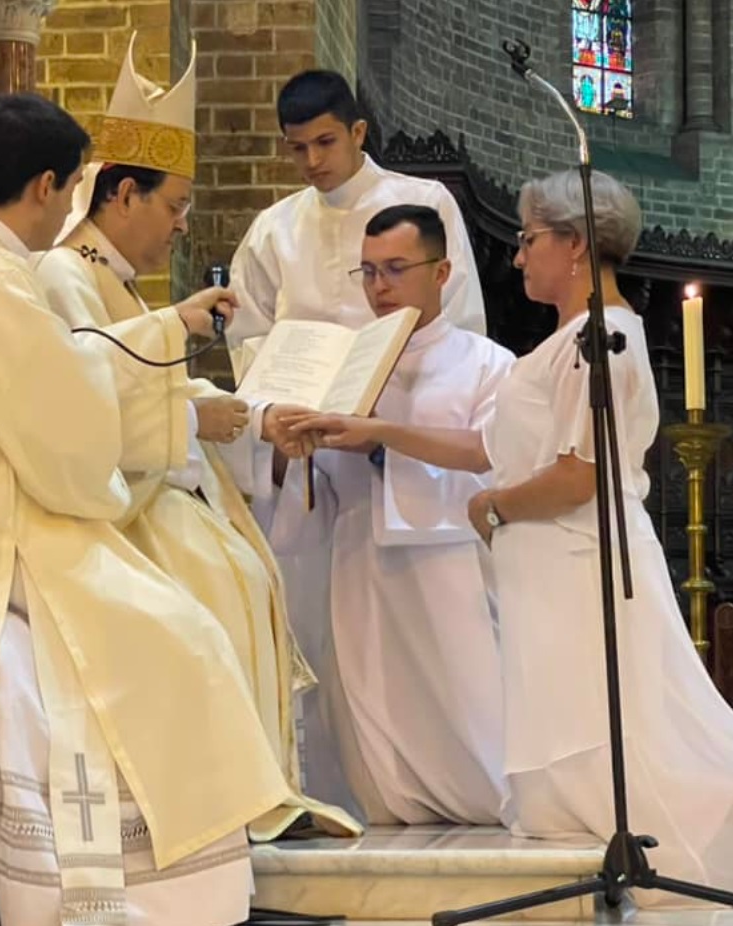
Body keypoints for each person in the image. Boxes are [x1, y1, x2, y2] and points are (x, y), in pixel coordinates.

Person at [0, 93, 291, 926]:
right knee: (177, 638)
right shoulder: (0, 280)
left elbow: (58, 380)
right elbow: (63, 455)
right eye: (73, 188)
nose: (71, 208)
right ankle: (161, 894)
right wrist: (109, 484)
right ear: (44, 185)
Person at [290, 170, 733, 900]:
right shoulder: (566, 339)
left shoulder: (608, 339)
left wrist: (493, 509)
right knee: (565, 710)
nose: (518, 256)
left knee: (628, 715)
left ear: (576, 242)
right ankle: (581, 839)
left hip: (577, 557)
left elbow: (578, 473)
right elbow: (485, 446)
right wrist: (374, 430)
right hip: (545, 566)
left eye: (529, 240)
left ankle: (665, 854)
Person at [35, 35, 359, 841]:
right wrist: (190, 421)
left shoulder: (111, 279)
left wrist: (251, 417)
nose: (182, 224)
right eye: (175, 205)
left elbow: (157, 385)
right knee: (218, 584)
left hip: (152, 482)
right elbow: (74, 405)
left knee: (241, 571)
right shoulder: (62, 277)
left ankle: (254, 798)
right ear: (121, 196)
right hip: (103, 509)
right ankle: (225, 805)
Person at [268, 205, 512, 824]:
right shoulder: (346, 362)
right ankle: (387, 816)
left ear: (442, 272)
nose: (379, 287)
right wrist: (286, 451)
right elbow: (311, 480)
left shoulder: (486, 363)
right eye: (368, 272)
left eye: (396, 269)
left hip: (445, 556)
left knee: (464, 702)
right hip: (356, 553)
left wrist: (382, 438)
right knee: (369, 704)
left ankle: (492, 813)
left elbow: (492, 458)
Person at [227, 68, 486, 381]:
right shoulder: (272, 228)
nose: (312, 160)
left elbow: (460, 316)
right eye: (299, 148)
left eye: (325, 142)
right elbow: (248, 336)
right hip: (302, 410)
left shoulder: (426, 202)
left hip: (406, 401)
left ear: (358, 133)